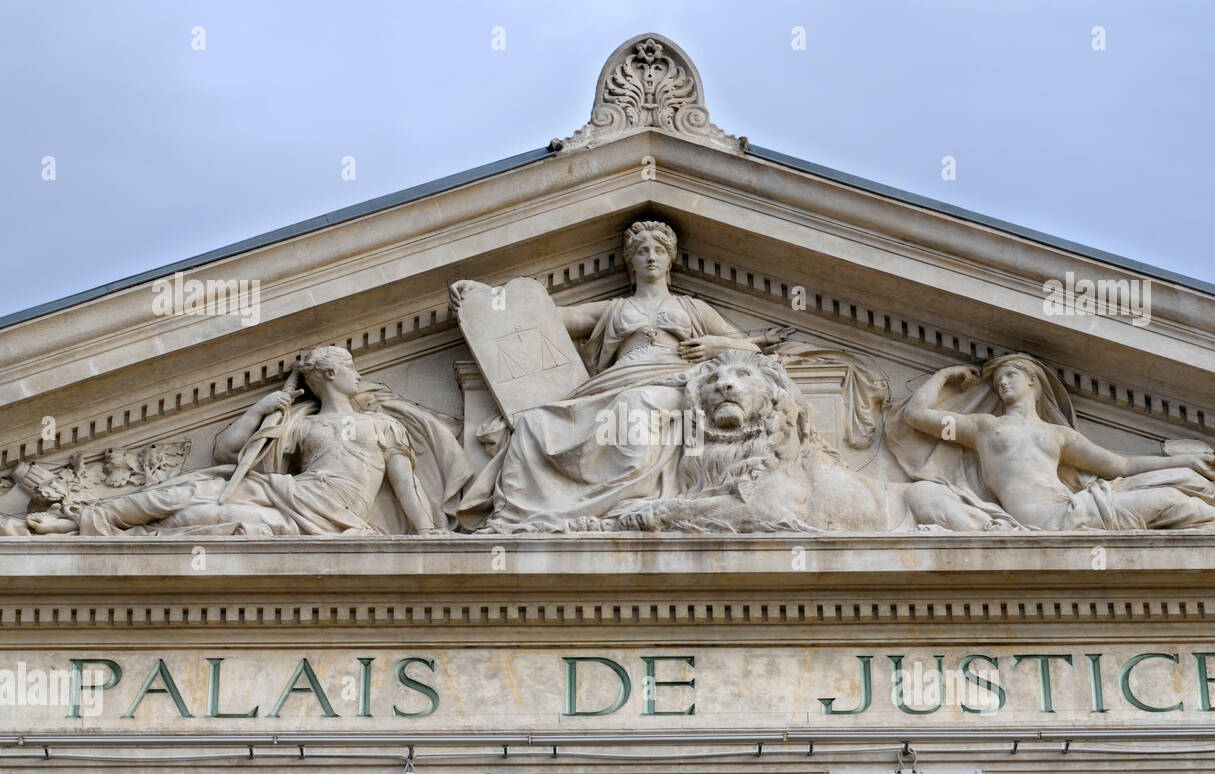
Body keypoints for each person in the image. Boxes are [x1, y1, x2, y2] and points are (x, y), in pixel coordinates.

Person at [454, 221, 760, 532]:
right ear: (631, 262)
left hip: (673, 381)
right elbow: (550, 317)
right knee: (535, 423)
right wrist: (484, 298)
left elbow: (749, 348)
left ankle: (631, 499)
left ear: (671, 259)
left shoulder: (693, 308)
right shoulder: (615, 309)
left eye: (659, 251)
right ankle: (519, 516)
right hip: (616, 381)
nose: (651, 257)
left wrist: (715, 344)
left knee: (636, 403)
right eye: (642, 252)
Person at [28, 346, 473, 536]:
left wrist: (429, 534)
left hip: (330, 518)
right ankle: (83, 522)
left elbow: (406, 486)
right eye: (351, 368)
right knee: (183, 489)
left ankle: (97, 530)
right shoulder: (301, 424)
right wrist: (260, 409)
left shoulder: (381, 425)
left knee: (199, 514)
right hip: (288, 493)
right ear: (332, 375)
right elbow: (226, 452)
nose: (360, 375)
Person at [888, 353, 1215, 531]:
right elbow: (916, 417)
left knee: (1176, 493)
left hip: (1074, 507)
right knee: (1168, 501)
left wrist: (1186, 465)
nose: (1002, 383)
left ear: (1033, 382)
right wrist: (944, 375)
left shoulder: (1059, 436)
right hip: (1045, 519)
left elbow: (1121, 465)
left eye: (1010, 375)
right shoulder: (985, 428)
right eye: (998, 379)